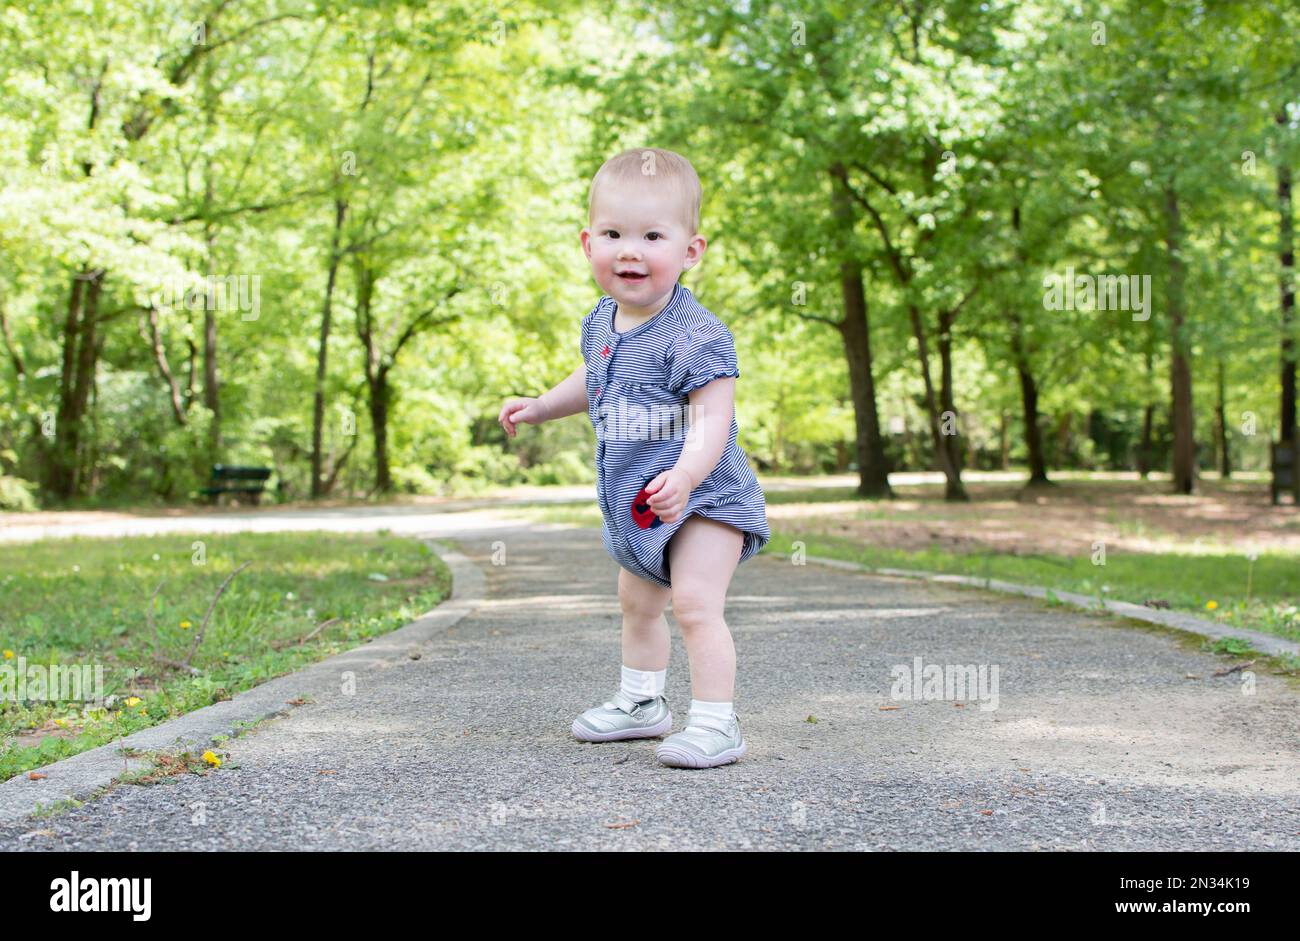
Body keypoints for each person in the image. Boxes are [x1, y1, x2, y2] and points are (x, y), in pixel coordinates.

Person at [498, 147, 770, 768]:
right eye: (615, 234)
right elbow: (589, 379)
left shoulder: (697, 332)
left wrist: (687, 473)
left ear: (690, 250)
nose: (630, 250)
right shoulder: (601, 321)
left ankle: (716, 722)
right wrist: (542, 405)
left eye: (652, 235)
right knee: (638, 601)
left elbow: (713, 417)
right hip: (642, 504)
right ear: (587, 242)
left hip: (707, 496)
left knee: (697, 605)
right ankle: (642, 702)